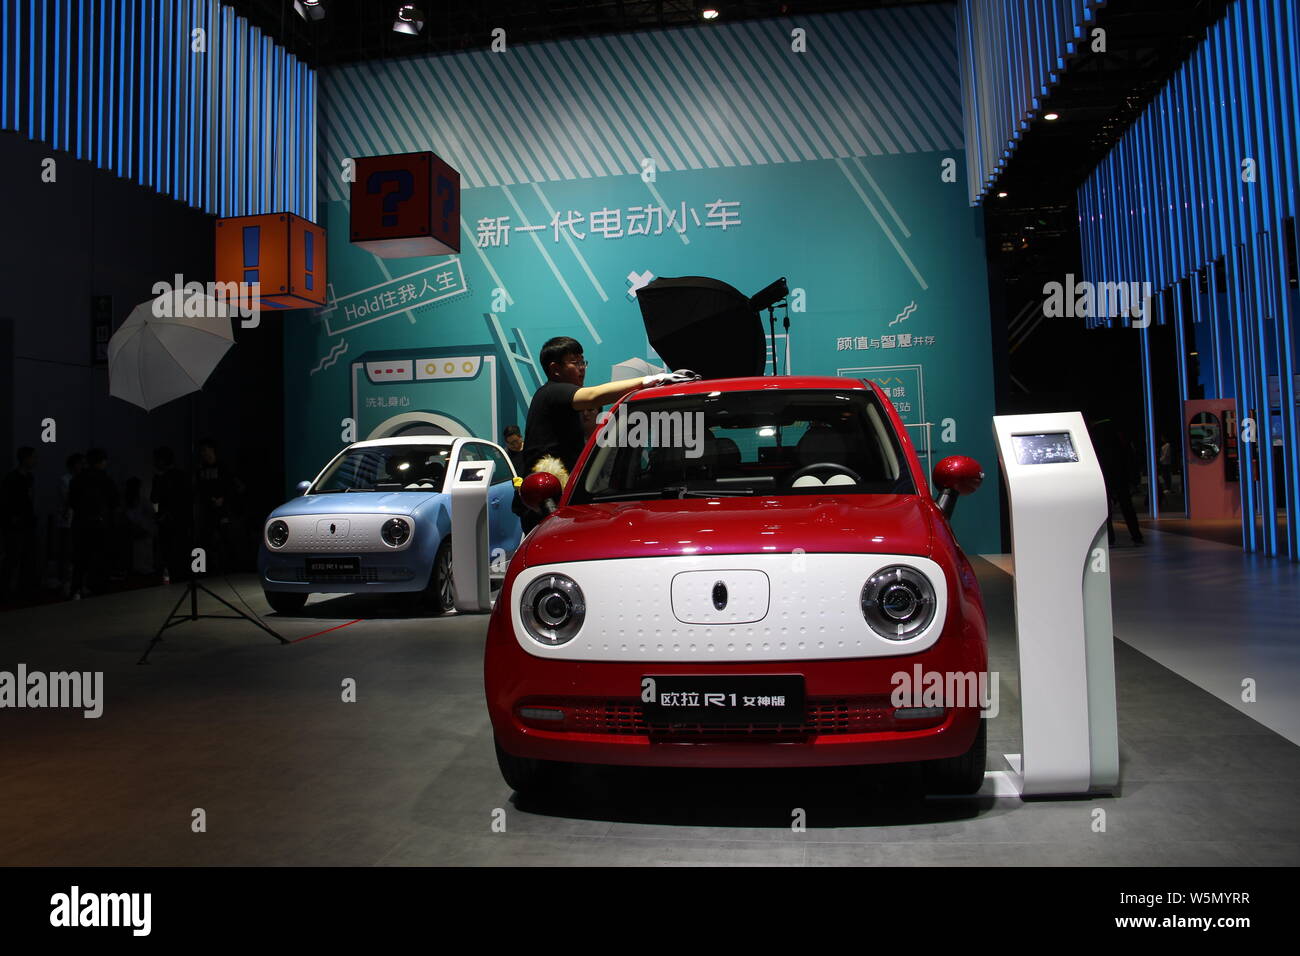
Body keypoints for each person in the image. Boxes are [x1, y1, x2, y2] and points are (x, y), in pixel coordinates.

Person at [517, 337, 684, 532]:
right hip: (545, 505)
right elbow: (592, 395)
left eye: (583, 361)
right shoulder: (552, 393)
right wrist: (650, 380)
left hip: (562, 501)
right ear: (555, 369)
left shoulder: (558, 399)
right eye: (575, 362)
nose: (582, 368)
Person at [69, 448, 118, 596]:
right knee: (100, 558)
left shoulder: (77, 479)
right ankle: (98, 589)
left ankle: (76, 588)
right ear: (102, 462)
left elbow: (72, 502)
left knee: (80, 559)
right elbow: (114, 502)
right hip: (100, 525)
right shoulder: (105, 479)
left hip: (81, 524)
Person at [1089, 417, 1144, 546]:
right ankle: (1136, 535)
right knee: (1127, 505)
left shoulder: (1094, 436)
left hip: (1104, 474)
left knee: (1106, 508)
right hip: (1120, 473)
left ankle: (1110, 538)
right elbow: (1128, 456)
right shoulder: (1118, 436)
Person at [1, 447, 39, 601]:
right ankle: (6, 590)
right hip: (16, 524)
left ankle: (22, 589)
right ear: (25, 459)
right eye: (33, 458)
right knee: (13, 558)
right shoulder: (12, 479)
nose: (35, 461)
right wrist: (12, 518)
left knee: (25, 557)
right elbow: (6, 501)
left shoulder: (28, 477)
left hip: (26, 522)